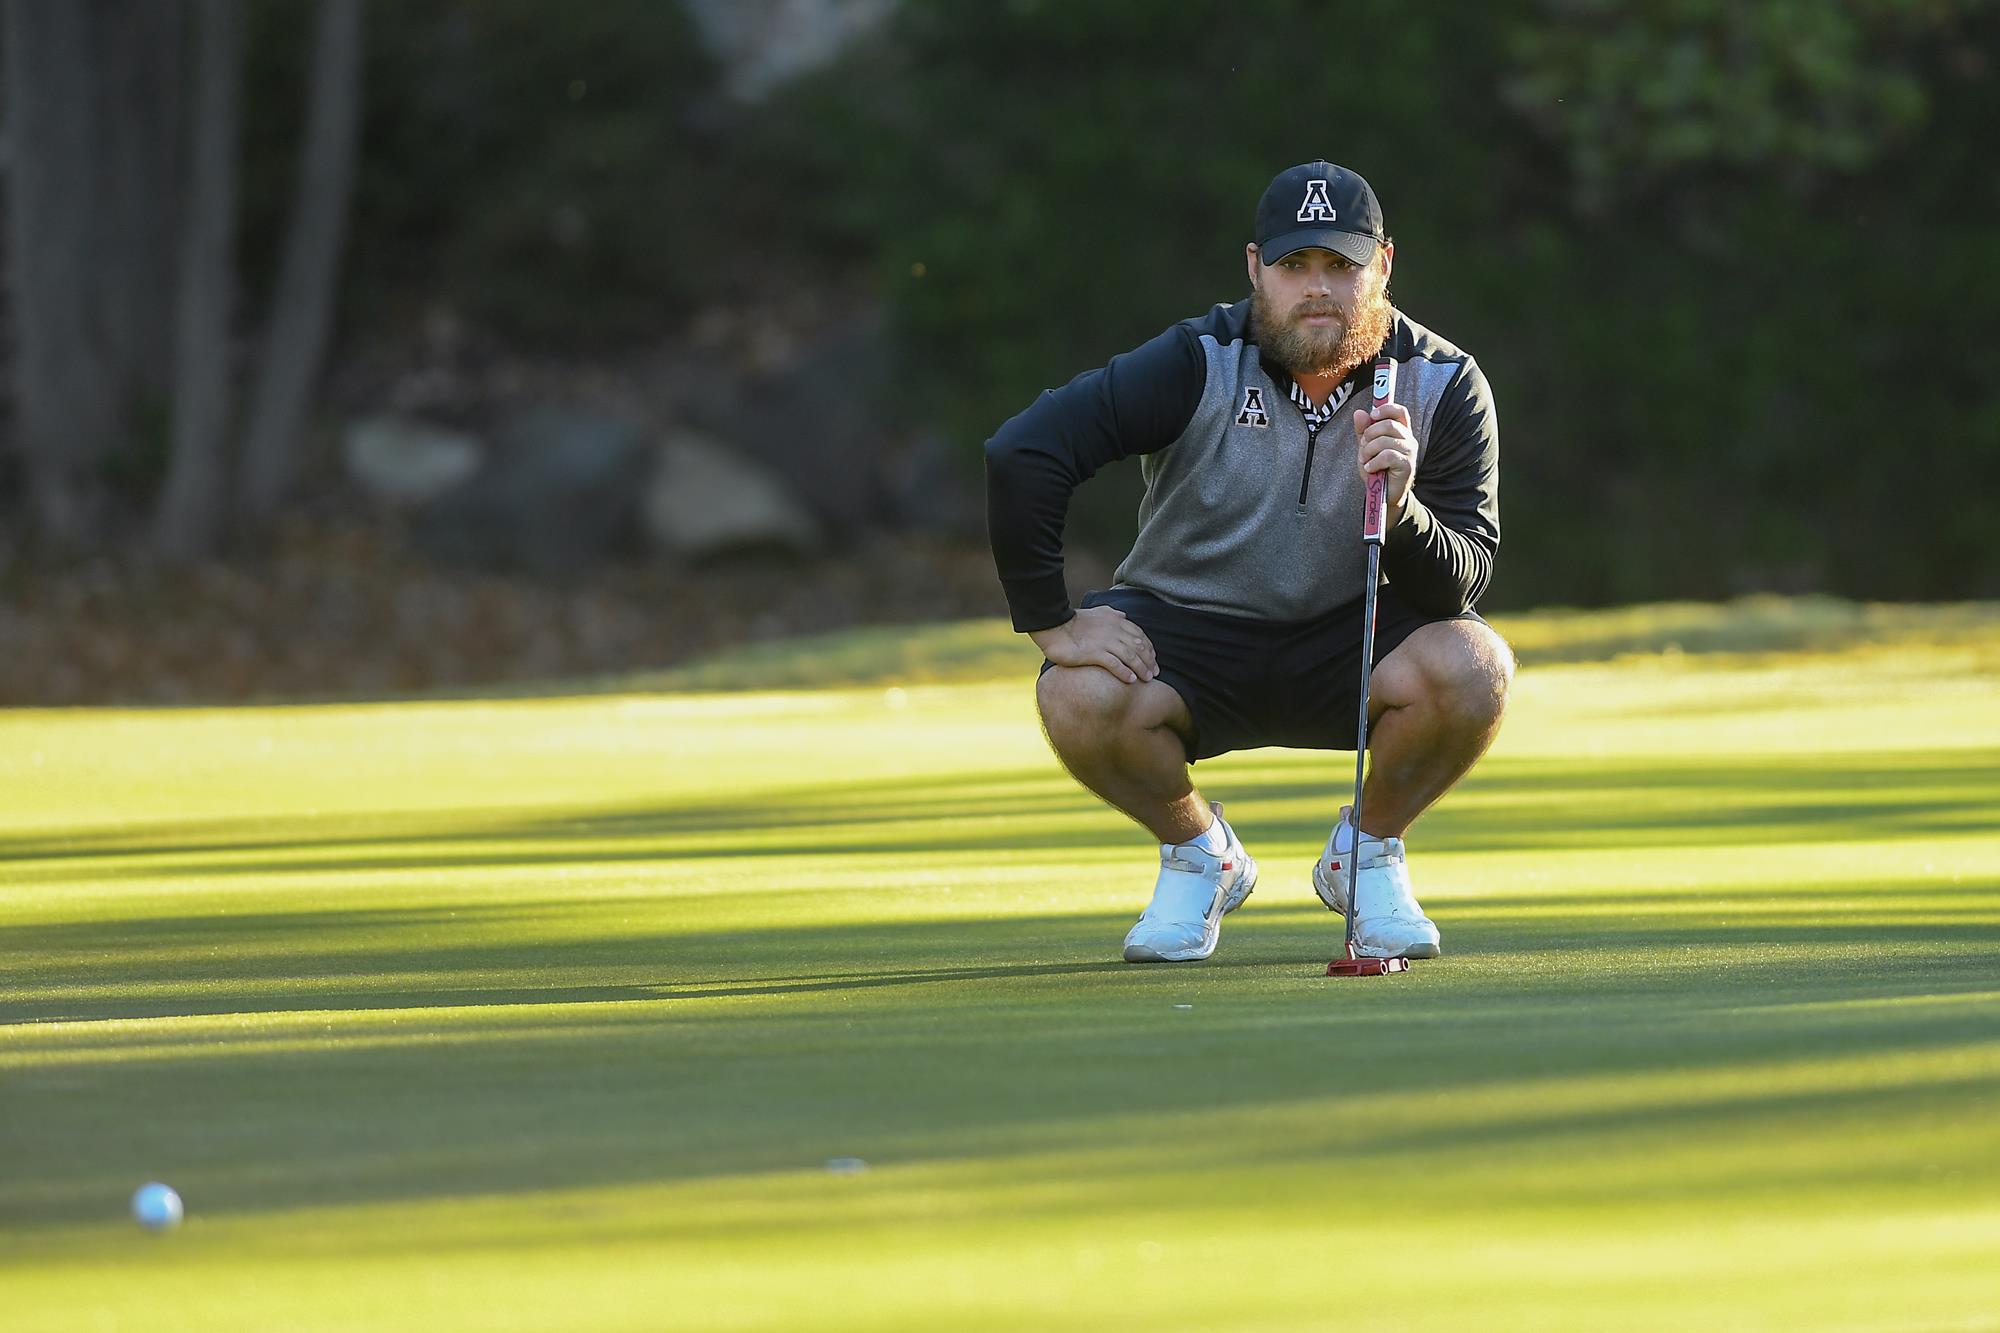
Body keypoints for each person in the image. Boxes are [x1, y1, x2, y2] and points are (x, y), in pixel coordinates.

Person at [983, 160, 1513, 964]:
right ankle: (1201, 855)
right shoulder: (1197, 359)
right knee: (1074, 692)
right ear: (1255, 268)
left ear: (1384, 266)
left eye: (1342, 265)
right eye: (1295, 264)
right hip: (1187, 632)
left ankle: (1367, 855)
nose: (1318, 288)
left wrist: (1402, 505)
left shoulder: (1443, 380)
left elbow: (1461, 581)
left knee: (1476, 665)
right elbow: (1025, 451)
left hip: (1352, 637)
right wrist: (1051, 622)